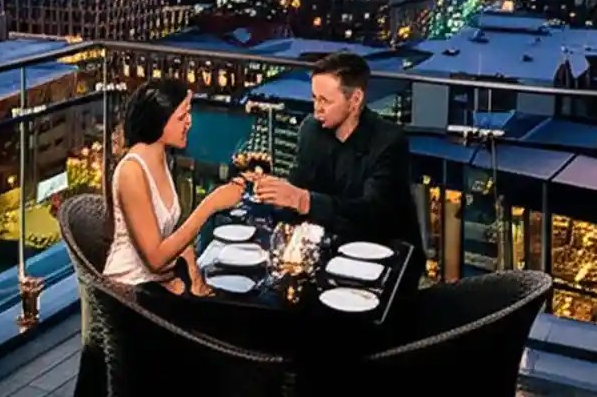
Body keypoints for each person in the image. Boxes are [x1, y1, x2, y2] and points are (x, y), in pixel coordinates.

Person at [252, 52, 424, 287]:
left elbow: (373, 215)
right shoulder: (311, 130)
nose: (317, 110)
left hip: (384, 257)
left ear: (355, 100)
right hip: (327, 250)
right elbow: (298, 187)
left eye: (325, 101)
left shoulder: (389, 141)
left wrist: (304, 201)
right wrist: (275, 195)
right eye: (315, 99)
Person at [103, 78, 245, 294]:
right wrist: (210, 205)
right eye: (181, 117)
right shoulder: (132, 172)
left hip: (158, 283)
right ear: (158, 121)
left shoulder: (162, 156)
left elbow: (168, 236)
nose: (189, 122)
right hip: (129, 291)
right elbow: (156, 260)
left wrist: (193, 270)